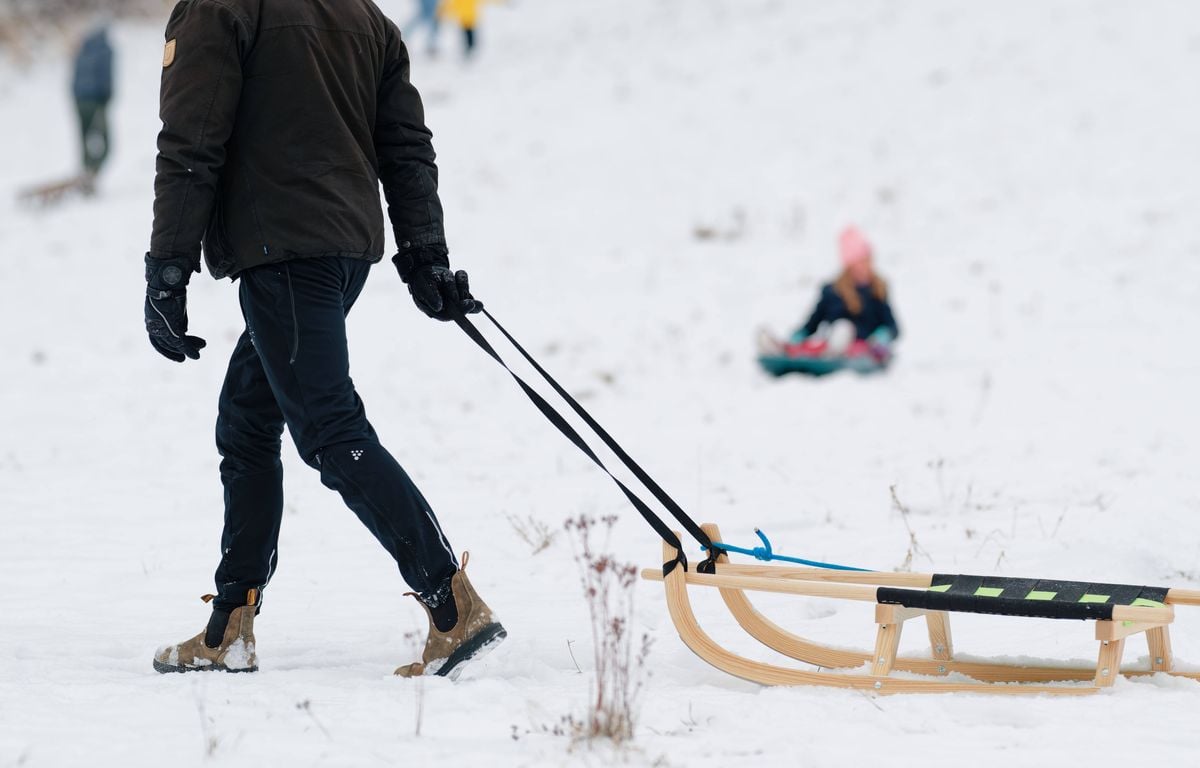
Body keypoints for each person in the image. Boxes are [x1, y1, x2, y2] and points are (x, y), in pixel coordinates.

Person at [145, 0, 504, 679]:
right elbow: (406, 147)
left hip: (282, 250)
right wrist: (424, 253)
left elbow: (190, 140)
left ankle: (452, 607)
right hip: (342, 253)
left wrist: (166, 268)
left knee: (328, 428)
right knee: (248, 421)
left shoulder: (217, 9)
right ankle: (232, 624)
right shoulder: (364, 16)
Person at [788, 226, 899, 358]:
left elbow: (893, 327)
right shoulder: (831, 291)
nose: (864, 267)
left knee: (844, 329)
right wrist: (800, 334)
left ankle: (834, 350)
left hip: (865, 348)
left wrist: (883, 335)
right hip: (832, 342)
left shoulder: (877, 290)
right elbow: (813, 323)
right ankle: (787, 349)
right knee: (840, 329)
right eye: (859, 262)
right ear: (849, 266)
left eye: (866, 261)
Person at [72, 22, 114, 190]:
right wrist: (107, 97)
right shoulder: (106, 49)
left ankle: (87, 172)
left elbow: (75, 75)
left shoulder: (82, 47)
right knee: (105, 140)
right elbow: (107, 75)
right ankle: (92, 173)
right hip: (97, 100)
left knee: (84, 138)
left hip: (79, 100)